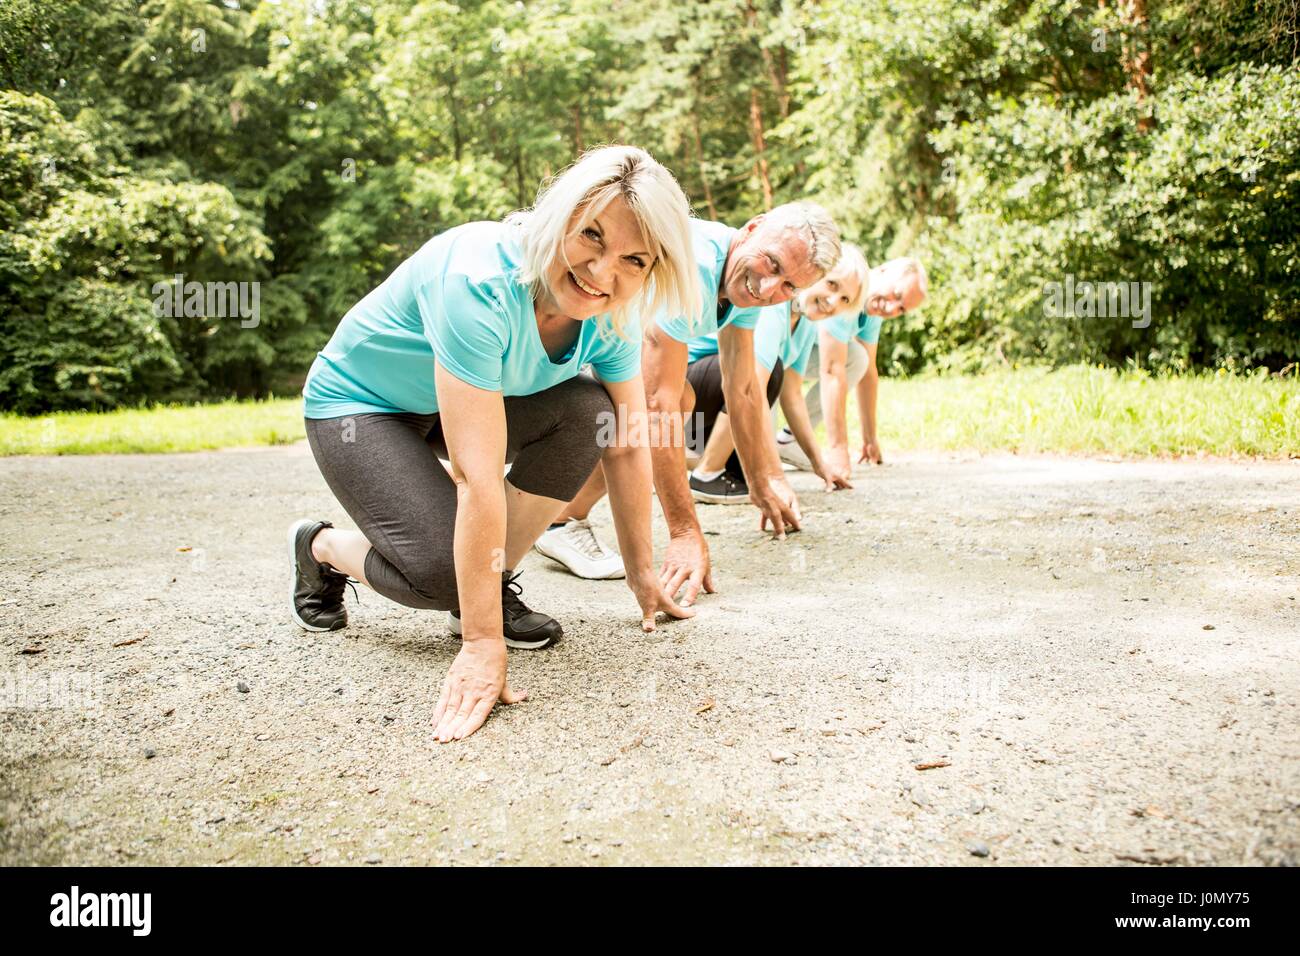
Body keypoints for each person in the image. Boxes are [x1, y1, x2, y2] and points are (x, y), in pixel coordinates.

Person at [289, 145, 701, 742]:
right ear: (559, 215)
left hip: (452, 400)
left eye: (633, 259)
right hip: (361, 407)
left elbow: (629, 442)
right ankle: (322, 546)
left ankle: (484, 581)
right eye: (590, 235)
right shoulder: (477, 280)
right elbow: (475, 477)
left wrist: (643, 573)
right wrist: (482, 643)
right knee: (439, 577)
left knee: (592, 411)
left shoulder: (615, 314)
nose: (603, 272)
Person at [533, 203, 841, 595]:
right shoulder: (694, 264)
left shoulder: (743, 285)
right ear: (752, 228)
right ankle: (561, 517)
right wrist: (683, 533)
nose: (768, 289)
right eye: (773, 264)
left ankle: (559, 514)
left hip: (590, 363)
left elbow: (744, 387)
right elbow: (656, 402)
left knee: (682, 396)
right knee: (672, 401)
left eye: (789, 287)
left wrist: (762, 480)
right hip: (547, 366)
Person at [686, 244, 871, 500]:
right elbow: (752, 390)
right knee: (767, 373)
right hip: (685, 392)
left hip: (707, 408)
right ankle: (705, 473)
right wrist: (776, 477)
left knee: (746, 470)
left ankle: (687, 454)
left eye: (844, 300)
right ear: (814, 274)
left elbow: (792, 395)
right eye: (832, 285)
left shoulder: (805, 322)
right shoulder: (776, 304)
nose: (833, 301)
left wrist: (819, 464)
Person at [776, 256, 928, 473]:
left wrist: (870, 438)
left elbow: (868, 373)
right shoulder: (846, 293)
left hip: (795, 352)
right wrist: (839, 451)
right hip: (773, 348)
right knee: (849, 361)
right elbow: (831, 371)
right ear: (883, 270)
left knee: (858, 359)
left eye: (901, 309)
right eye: (897, 295)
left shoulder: (872, 312)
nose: (892, 308)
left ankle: (788, 441)